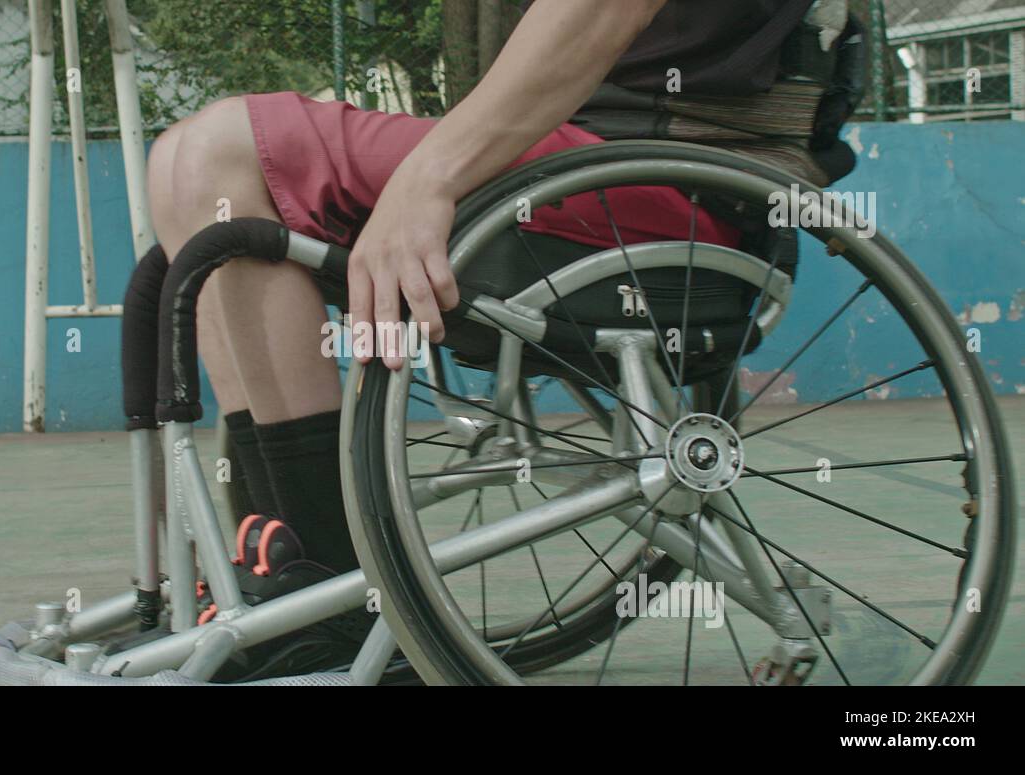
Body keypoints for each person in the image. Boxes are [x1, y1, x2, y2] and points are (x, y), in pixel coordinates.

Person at [143, 0, 861, 615]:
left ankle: (334, 593)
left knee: (216, 156)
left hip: (674, 192)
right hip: (608, 165)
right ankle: (283, 562)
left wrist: (431, 177)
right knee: (184, 167)